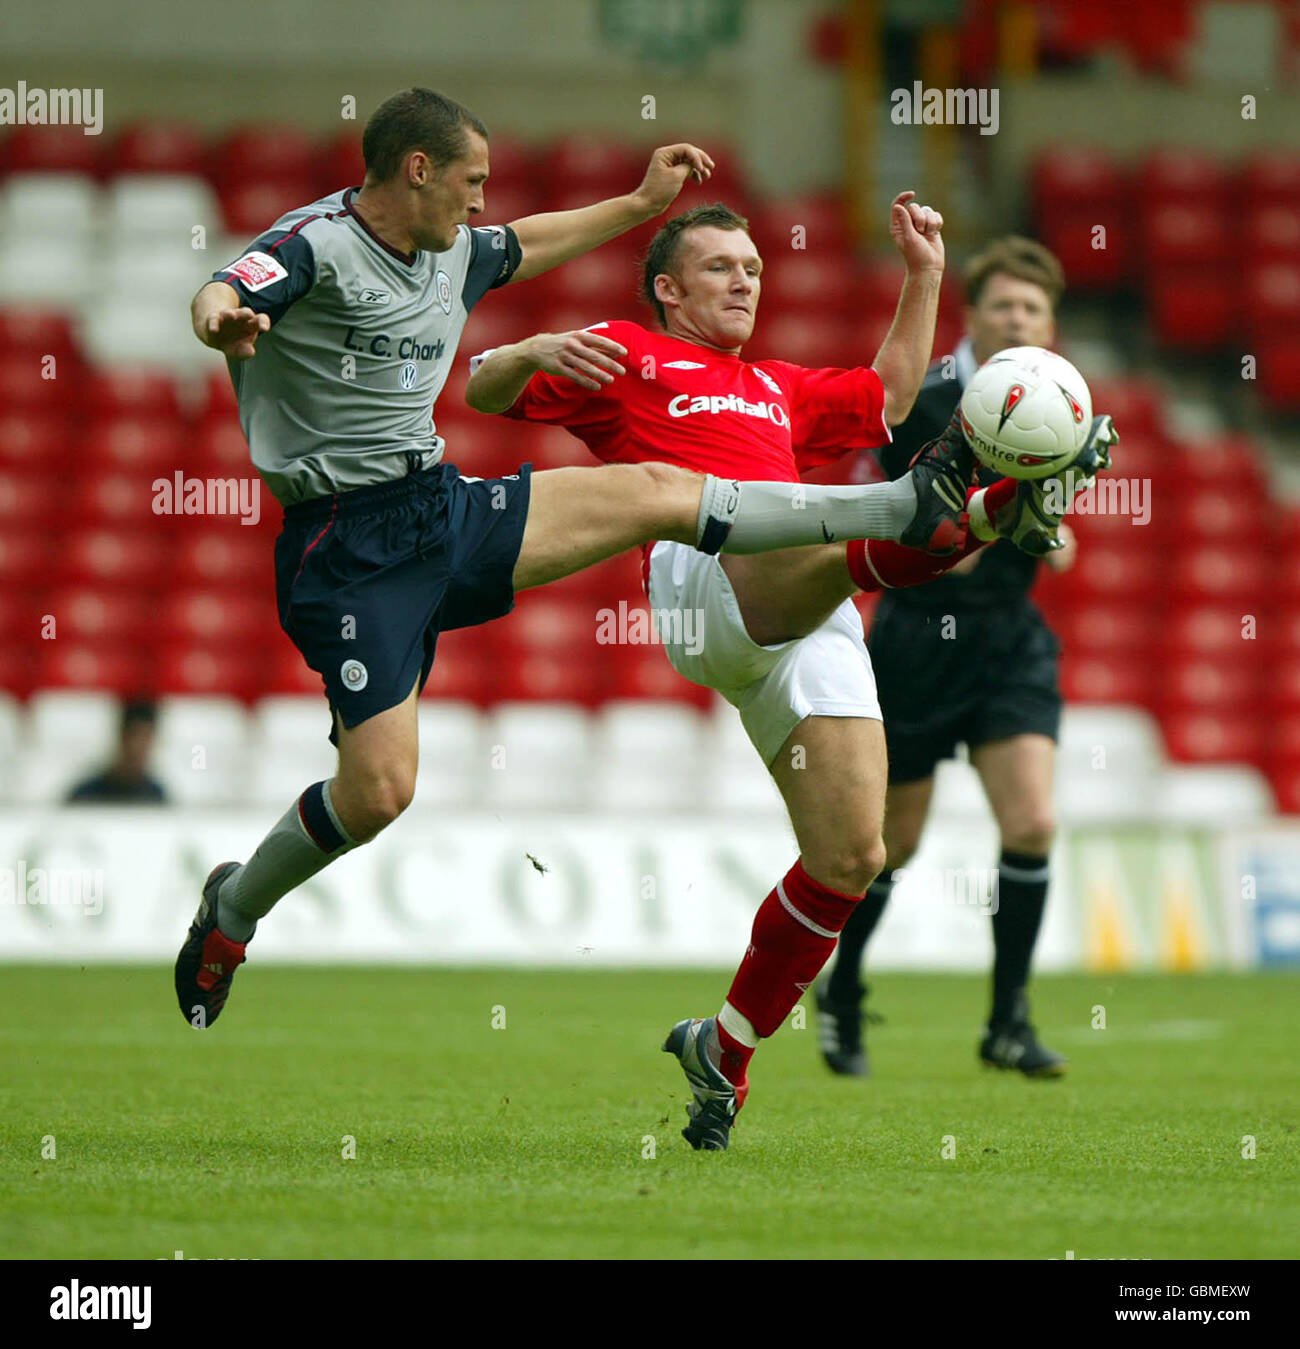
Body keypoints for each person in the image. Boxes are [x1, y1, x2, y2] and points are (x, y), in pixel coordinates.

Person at [175, 89, 977, 1032]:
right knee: (378, 792)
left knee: (651, 489)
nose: (482, 204)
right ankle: (232, 913)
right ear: (417, 170)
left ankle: (898, 505)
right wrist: (222, 319)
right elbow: (225, 287)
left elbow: (527, 240)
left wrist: (641, 205)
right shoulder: (316, 245)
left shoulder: (455, 254)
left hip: (437, 504)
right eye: (471, 181)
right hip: (345, 546)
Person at [467, 204, 1116, 1147]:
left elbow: (891, 397)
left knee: (854, 856)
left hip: (811, 610)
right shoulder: (627, 354)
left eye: (755, 269)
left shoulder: (776, 387)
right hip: (702, 573)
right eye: (722, 267)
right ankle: (969, 511)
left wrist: (925, 272)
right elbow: (483, 391)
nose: (745, 281)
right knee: (848, 516)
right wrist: (535, 348)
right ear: (668, 288)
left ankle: (723, 1050)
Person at [817, 236, 1085, 1079]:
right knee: (891, 845)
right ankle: (842, 991)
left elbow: (1063, 546)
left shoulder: (1063, 404)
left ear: (1050, 322)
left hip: (1010, 637)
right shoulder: (930, 400)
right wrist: (970, 528)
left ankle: (1008, 1020)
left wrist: (1051, 534)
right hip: (919, 633)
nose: (1018, 318)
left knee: (1034, 822)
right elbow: (893, 519)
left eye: (1032, 308)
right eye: (1004, 304)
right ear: (976, 314)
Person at [65, 700, 167, 804]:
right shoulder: (87, 794)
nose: (138, 747)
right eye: (134, 737)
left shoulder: (156, 795)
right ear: (122, 738)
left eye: (145, 739)